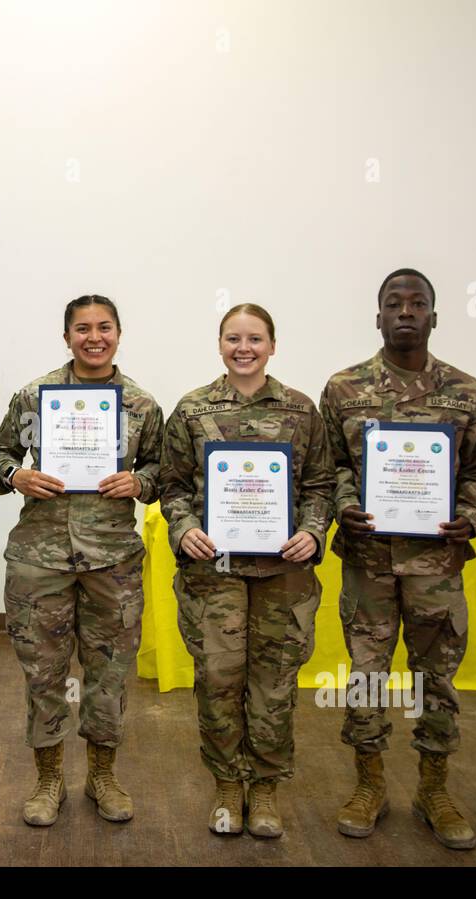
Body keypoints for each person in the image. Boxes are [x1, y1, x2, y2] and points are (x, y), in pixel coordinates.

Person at [319, 268, 476, 849]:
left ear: (433, 317)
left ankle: (434, 789)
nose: (405, 311)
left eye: (417, 303)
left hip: (437, 567)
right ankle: (370, 785)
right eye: (393, 303)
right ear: (377, 317)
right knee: (368, 678)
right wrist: (345, 503)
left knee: (435, 680)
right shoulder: (343, 388)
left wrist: (473, 514)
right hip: (368, 562)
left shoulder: (468, 394)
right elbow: (330, 470)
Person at [159, 303, 333, 838]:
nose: (244, 348)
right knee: (217, 679)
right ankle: (227, 784)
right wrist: (184, 527)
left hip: (284, 573)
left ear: (272, 346)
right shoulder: (191, 409)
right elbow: (173, 486)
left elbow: (321, 486)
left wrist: (313, 530)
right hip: (215, 571)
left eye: (255, 338)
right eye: (233, 338)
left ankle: (264, 789)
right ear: (219, 345)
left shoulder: (302, 411)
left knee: (274, 684)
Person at [0, 294, 164, 826]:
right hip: (40, 558)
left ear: (119, 333)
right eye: (82, 328)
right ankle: (48, 781)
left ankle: (102, 775)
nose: (94, 337)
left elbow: (164, 470)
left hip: (111, 559)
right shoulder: (33, 396)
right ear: (66, 336)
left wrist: (141, 481)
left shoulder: (141, 405)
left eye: (104, 327)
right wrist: (16, 476)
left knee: (108, 673)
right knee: (44, 673)